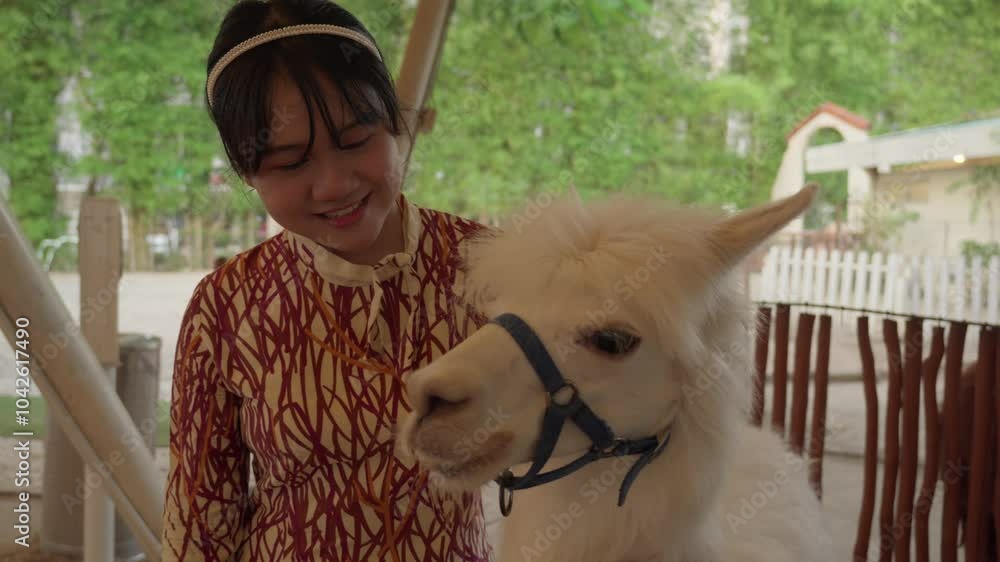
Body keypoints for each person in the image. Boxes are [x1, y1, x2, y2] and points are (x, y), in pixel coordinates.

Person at [161, 1, 493, 560]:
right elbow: (199, 525)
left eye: (356, 139)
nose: (334, 186)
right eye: (291, 163)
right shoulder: (226, 307)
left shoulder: (488, 268)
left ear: (396, 122)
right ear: (247, 172)